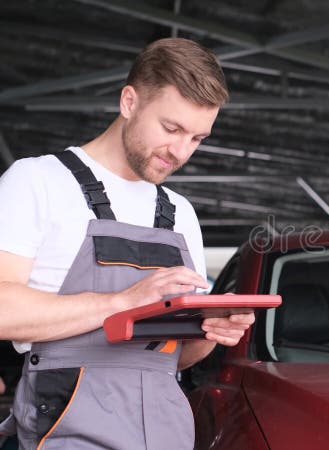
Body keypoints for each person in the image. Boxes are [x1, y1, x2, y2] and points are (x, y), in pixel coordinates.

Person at [0, 38, 254, 449]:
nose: (180, 151)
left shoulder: (180, 212)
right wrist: (122, 303)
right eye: (171, 129)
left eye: (197, 138)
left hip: (165, 433)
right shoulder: (37, 181)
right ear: (129, 102)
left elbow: (172, 357)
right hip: (67, 427)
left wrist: (209, 333)